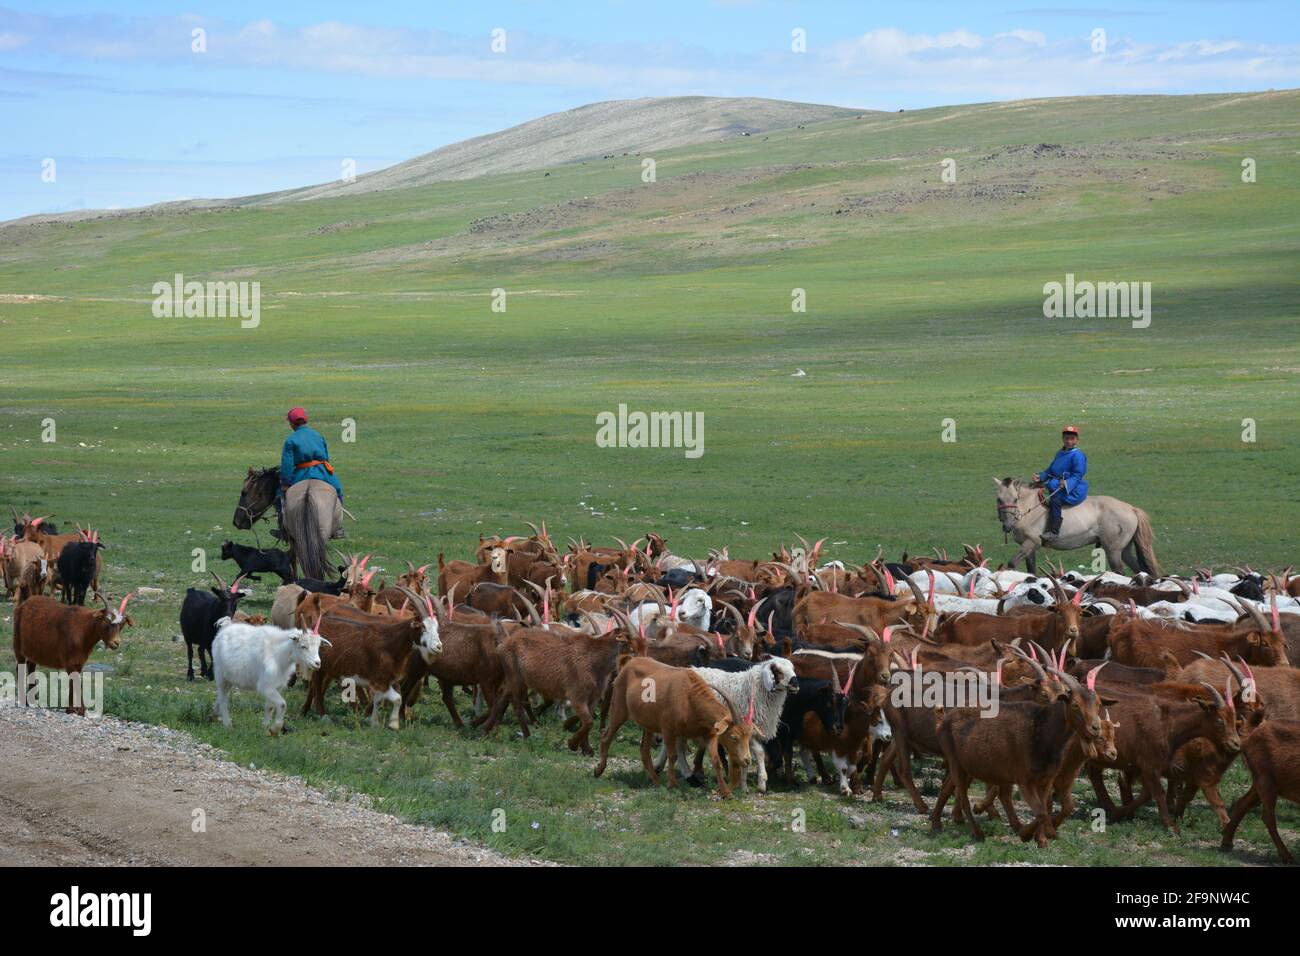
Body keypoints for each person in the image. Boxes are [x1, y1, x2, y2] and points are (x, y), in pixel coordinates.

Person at [275, 407, 344, 540]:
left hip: (301, 473)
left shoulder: (291, 440)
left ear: (292, 424)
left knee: (279, 496)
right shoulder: (318, 435)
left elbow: (287, 465)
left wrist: (285, 483)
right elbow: (326, 458)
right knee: (338, 492)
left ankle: (283, 528)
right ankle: (338, 527)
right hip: (322, 471)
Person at [1035, 425, 1088, 541]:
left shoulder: (1077, 455)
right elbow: (1051, 470)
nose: (1069, 441)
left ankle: (1054, 532)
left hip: (1073, 489)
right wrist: (1041, 477)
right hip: (1058, 485)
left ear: (1077, 440)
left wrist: (1067, 483)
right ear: (1062, 439)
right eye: (1066, 438)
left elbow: (1078, 475)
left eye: (1072, 438)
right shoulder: (1060, 453)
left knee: (1055, 501)